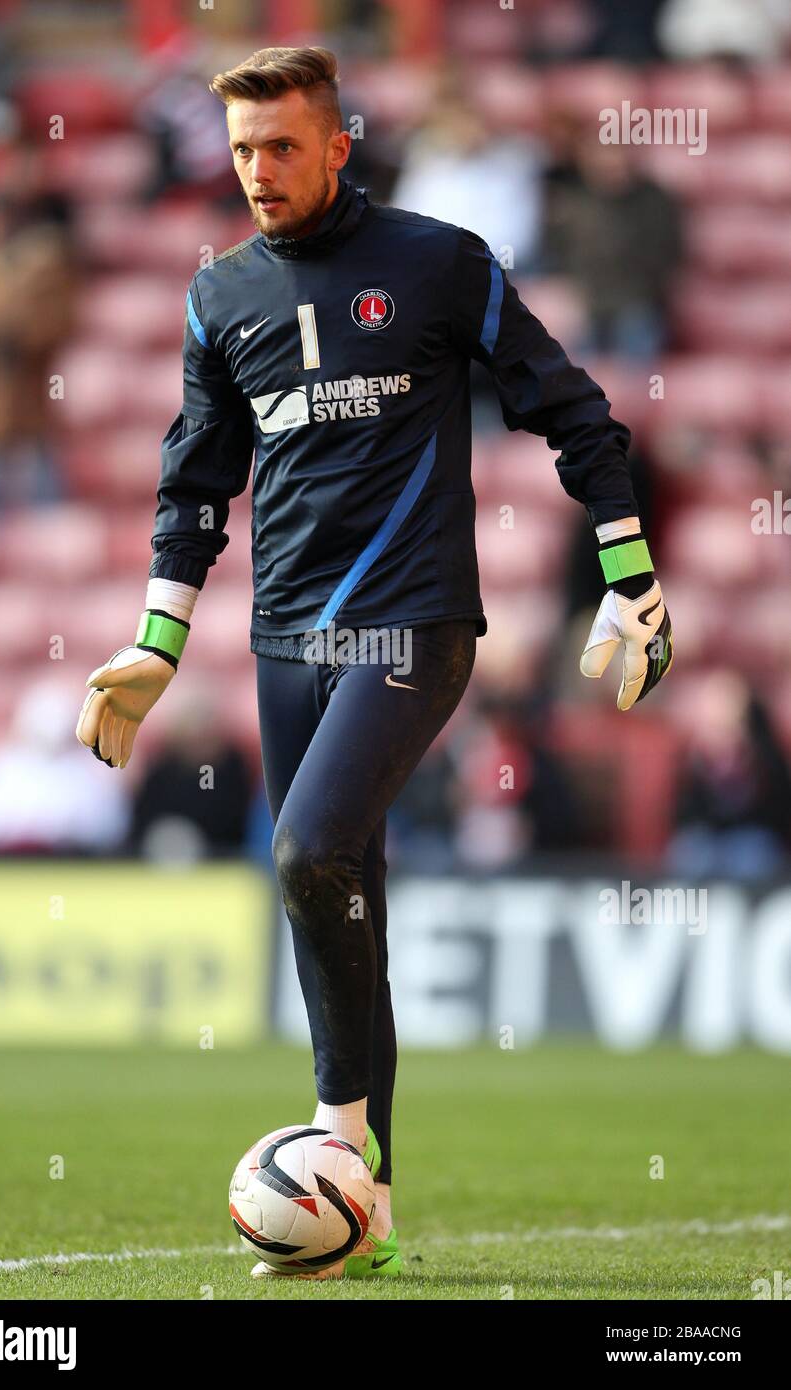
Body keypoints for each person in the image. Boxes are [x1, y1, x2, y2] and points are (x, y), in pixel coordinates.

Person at [75, 45, 674, 1281]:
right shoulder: (217, 297)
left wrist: (630, 577)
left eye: (282, 146)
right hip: (282, 637)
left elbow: (572, 411)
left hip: (411, 624)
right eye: (241, 149)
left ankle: (336, 1146)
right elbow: (192, 485)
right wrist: (154, 641)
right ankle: (368, 1210)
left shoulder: (437, 261)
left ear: (339, 142)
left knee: (303, 849)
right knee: (341, 904)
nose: (258, 171)